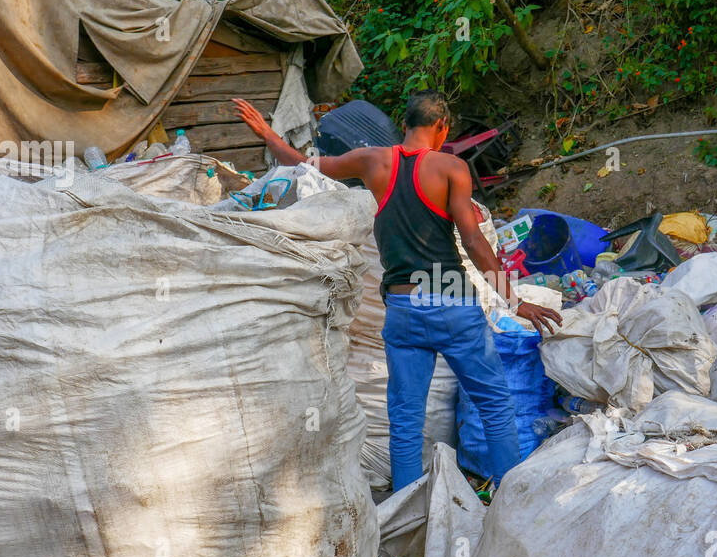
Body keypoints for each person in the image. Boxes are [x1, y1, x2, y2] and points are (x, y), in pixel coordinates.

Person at [234, 90, 562, 492]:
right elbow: (474, 242)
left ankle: (407, 512)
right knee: (494, 404)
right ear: (442, 128)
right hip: (452, 303)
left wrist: (267, 133)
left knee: (405, 420)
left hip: (404, 308)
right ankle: (514, 498)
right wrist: (515, 302)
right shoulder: (451, 167)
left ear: (404, 124)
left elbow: (304, 166)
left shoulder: (372, 160)